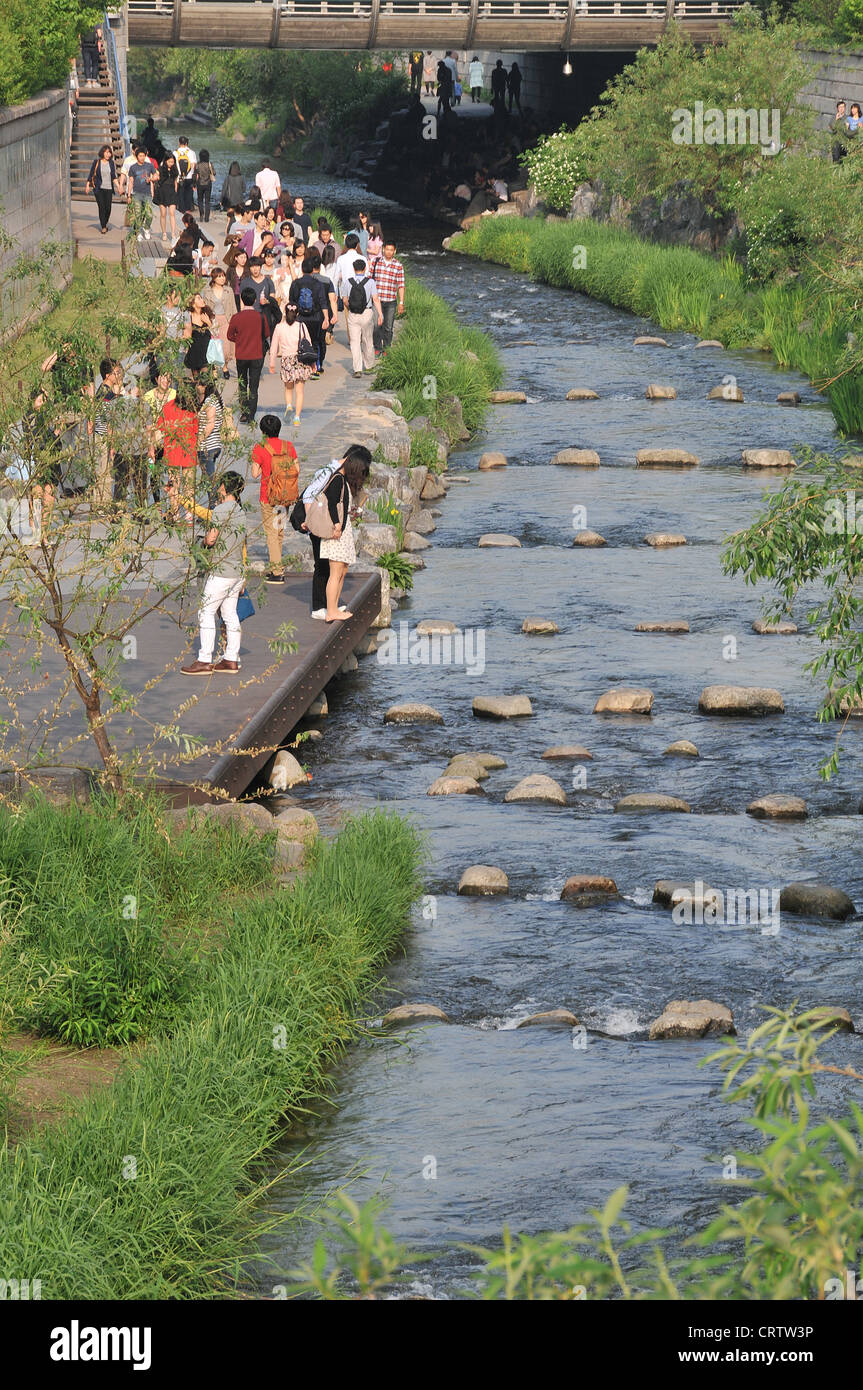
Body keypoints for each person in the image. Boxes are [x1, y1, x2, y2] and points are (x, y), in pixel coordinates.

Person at [181, 471, 248, 676]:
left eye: (220, 485)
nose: (219, 488)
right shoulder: (241, 511)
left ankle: (204, 659)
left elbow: (211, 539)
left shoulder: (221, 510)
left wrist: (203, 541)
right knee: (229, 614)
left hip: (221, 570)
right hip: (238, 571)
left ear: (224, 488)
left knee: (206, 611)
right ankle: (230, 659)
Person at [307, 447, 371, 621]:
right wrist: (336, 525)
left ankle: (333, 607)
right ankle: (331, 611)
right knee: (335, 572)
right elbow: (331, 503)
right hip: (336, 533)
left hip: (342, 531)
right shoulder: (337, 479)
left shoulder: (342, 480)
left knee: (342, 570)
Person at [251, 414, 299, 582]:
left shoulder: (260, 447)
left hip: (268, 497)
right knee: (279, 531)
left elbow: (255, 474)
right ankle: (277, 564)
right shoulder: (289, 446)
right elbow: (297, 469)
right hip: (285, 496)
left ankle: (277, 572)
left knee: (270, 533)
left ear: (263, 431)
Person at [268, 304, 314, 426]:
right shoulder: (302, 326)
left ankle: (288, 405)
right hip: (300, 360)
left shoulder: (279, 327)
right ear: (297, 314)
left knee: (289, 388)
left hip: (286, 360)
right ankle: (297, 418)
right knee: (300, 391)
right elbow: (309, 344)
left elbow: (273, 346)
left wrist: (272, 363)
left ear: (285, 312)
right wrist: (313, 363)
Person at [227, 286, 266, 423]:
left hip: (242, 355)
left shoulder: (236, 317)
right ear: (255, 300)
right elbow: (266, 334)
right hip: (257, 354)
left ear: (242, 300)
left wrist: (240, 339)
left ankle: (244, 412)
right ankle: (252, 415)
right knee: (254, 386)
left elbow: (229, 335)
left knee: (242, 384)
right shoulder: (260, 317)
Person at [288, 255, 329, 378]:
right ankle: (315, 368)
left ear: (302, 269)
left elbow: (291, 302)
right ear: (313, 270)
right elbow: (323, 302)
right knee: (315, 342)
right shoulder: (318, 284)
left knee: (301, 342)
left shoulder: (295, 283)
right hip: (316, 318)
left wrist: (291, 318)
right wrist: (326, 318)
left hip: (300, 318)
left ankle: (301, 367)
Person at [345, 257, 383, 377]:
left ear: (353, 269)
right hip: (367, 313)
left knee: (355, 342)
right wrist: (380, 314)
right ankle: (369, 366)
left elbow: (345, 300)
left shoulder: (348, 282)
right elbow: (375, 299)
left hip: (353, 314)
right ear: (365, 268)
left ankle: (357, 369)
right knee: (368, 340)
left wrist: (352, 306)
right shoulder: (370, 282)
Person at [373, 240, 405, 356]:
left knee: (388, 327)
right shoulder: (375, 262)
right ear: (383, 249)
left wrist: (401, 302)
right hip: (377, 300)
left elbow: (401, 285)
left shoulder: (398, 266)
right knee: (376, 325)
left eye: (391, 250)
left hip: (391, 301)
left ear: (394, 251)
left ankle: (387, 349)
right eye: (387, 249)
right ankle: (377, 348)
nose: (389, 252)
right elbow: (369, 280)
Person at [203, 266, 234, 379]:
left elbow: (233, 307)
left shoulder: (228, 290)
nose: (222, 278)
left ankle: (225, 367)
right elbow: (205, 307)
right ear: (214, 278)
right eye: (219, 276)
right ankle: (214, 369)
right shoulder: (207, 291)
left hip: (225, 319)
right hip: (213, 320)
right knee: (214, 344)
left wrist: (233, 322)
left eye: (223, 276)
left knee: (226, 346)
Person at [85, 144, 119, 235]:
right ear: (102, 153)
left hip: (108, 188)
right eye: (106, 152)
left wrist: (119, 186)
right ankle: (103, 226)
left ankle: (105, 221)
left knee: (108, 208)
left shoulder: (111, 163)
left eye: (110, 153)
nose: (108, 155)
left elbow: (113, 176)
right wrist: (88, 185)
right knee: (102, 207)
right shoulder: (96, 162)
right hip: (99, 188)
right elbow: (91, 174)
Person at [196, 379, 223, 490]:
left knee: (210, 479)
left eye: (199, 384)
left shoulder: (210, 401)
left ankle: (213, 503)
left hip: (208, 445)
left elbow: (210, 424)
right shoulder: (213, 399)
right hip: (214, 444)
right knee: (208, 476)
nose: (197, 387)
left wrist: (198, 441)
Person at [182, 293, 213, 374]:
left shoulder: (207, 314)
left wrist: (208, 323)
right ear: (193, 303)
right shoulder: (188, 316)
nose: (202, 300)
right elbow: (186, 334)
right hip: (194, 353)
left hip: (206, 353)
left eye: (201, 298)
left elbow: (216, 333)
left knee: (205, 378)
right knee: (196, 381)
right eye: (199, 298)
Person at [154, 152, 179, 242]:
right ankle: (164, 232)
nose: (171, 164)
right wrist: (152, 178)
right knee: (163, 214)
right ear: (165, 161)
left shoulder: (175, 170)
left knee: (172, 213)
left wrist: (176, 192)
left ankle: (173, 233)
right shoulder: (160, 169)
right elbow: (155, 177)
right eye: (169, 162)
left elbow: (175, 182)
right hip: (162, 192)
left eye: (173, 162)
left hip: (172, 193)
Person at [125, 147, 157, 215]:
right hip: (136, 194)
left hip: (147, 194)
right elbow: (131, 182)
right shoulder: (133, 167)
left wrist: (151, 179)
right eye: (140, 156)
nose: (142, 158)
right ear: (136, 157)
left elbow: (156, 176)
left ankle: (146, 226)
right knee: (137, 213)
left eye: (143, 156)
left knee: (149, 214)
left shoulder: (150, 166)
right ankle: (138, 226)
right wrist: (129, 196)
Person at [174, 136, 197, 214]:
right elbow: (194, 165)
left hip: (179, 178)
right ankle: (188, 211)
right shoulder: (192, 152)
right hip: (189, 177)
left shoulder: (175, 152)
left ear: (179, 142)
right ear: (187, 143)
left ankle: (181, 211)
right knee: (188, 195)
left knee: (180, 194)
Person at [195, 149, 216, 221]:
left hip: (200, 183)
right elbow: (214, 173)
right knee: (207, 201)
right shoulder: (209, 164)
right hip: (208, 184)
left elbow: (196, 173)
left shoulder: (198, 164)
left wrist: (194, 184)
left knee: (200, 200)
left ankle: (201, 214)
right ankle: (207, 218)